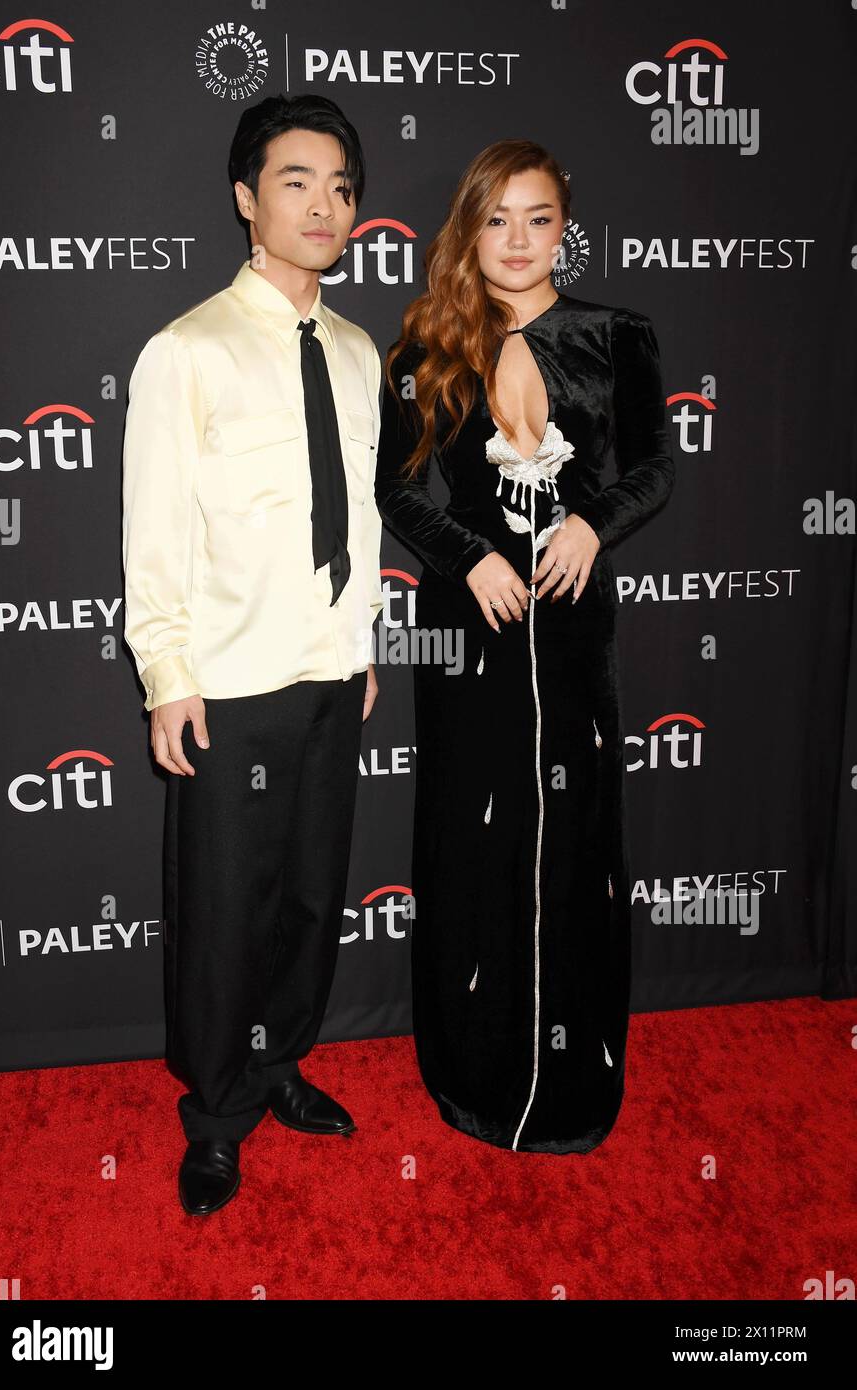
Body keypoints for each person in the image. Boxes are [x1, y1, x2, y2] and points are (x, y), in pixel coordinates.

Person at [375, 139, 675, 1154]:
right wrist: (468, 559)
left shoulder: (613, 335)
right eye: (495, 218)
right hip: (470, 626)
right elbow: (398, 491)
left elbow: (653, 469)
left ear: (564, 226)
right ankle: (475, 1073)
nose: (516, 240)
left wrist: (594, 523)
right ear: (470, 227)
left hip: (574, 617)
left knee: (576, 837)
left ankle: (574, 1084)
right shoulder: (425, 349)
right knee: (473, 836)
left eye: (536, 218)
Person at [121, 94, 383, 1214]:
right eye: (296, 182)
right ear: (245, 198)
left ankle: (280, 1066)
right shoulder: (186, 349)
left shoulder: (363, 348)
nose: (324, 207)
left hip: (331, 673)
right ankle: (217, 1112)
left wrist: (360, 644)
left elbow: (357, 515)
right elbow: (153, 529)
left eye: (340, 187)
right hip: (229, 684)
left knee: (311, 900)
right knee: (227, 912)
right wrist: (166, 675)